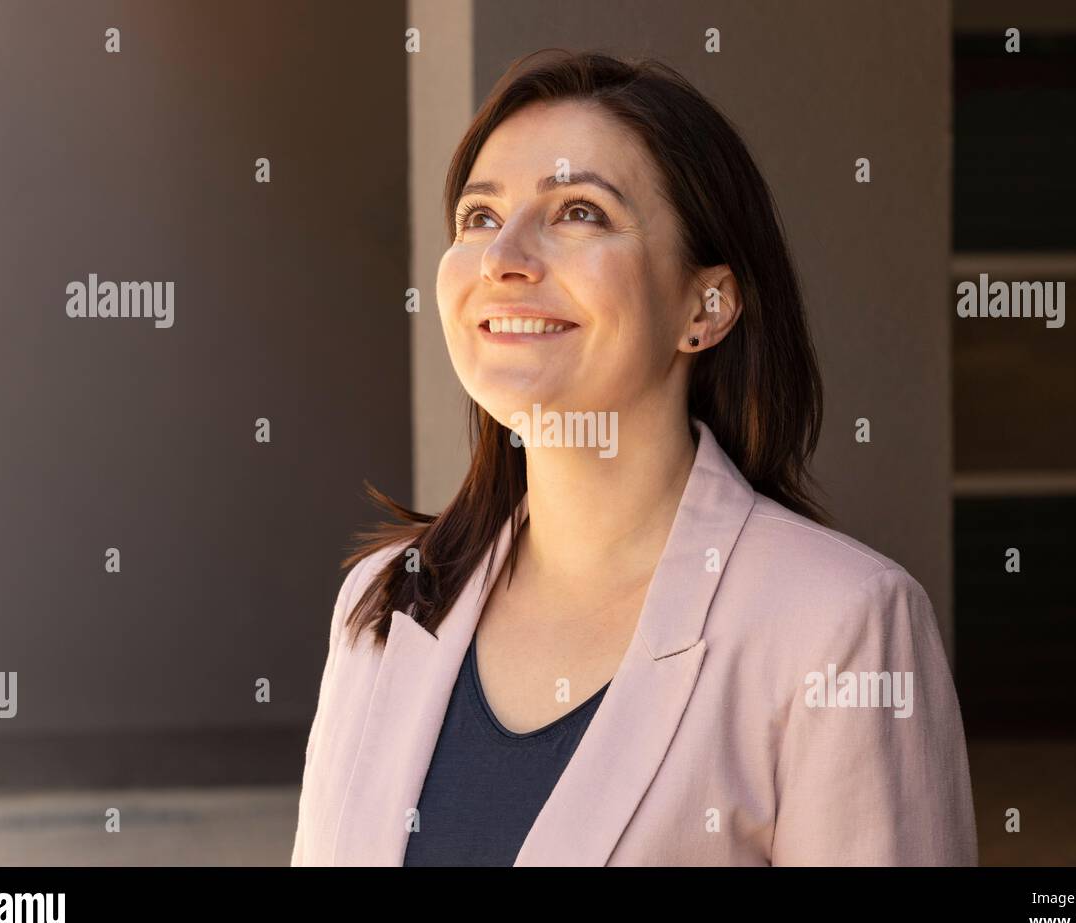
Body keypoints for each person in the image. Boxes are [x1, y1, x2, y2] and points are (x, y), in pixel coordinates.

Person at [291, 49, 978, 866]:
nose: (504, 257)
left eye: (578, 211)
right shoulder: (385, 601)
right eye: (479, 217)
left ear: (707, 304)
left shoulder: (841, 625)